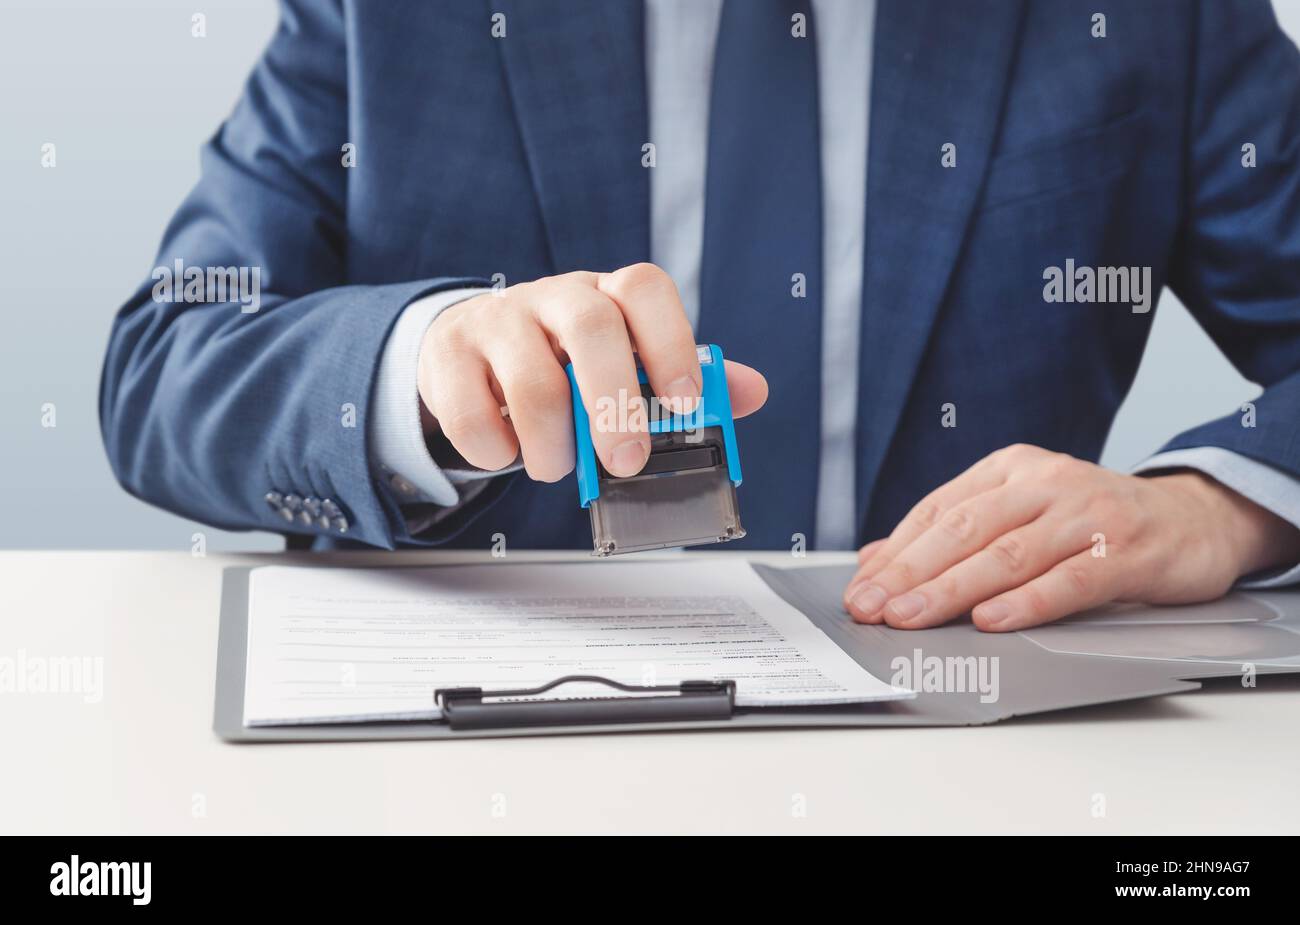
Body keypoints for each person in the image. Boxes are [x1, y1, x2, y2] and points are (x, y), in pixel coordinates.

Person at [100, 0, 1300, 633]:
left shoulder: (1155, 9)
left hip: (978, 757)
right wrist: (415, 369)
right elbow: (165, 366)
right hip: (482, 763)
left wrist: (1219, 508)